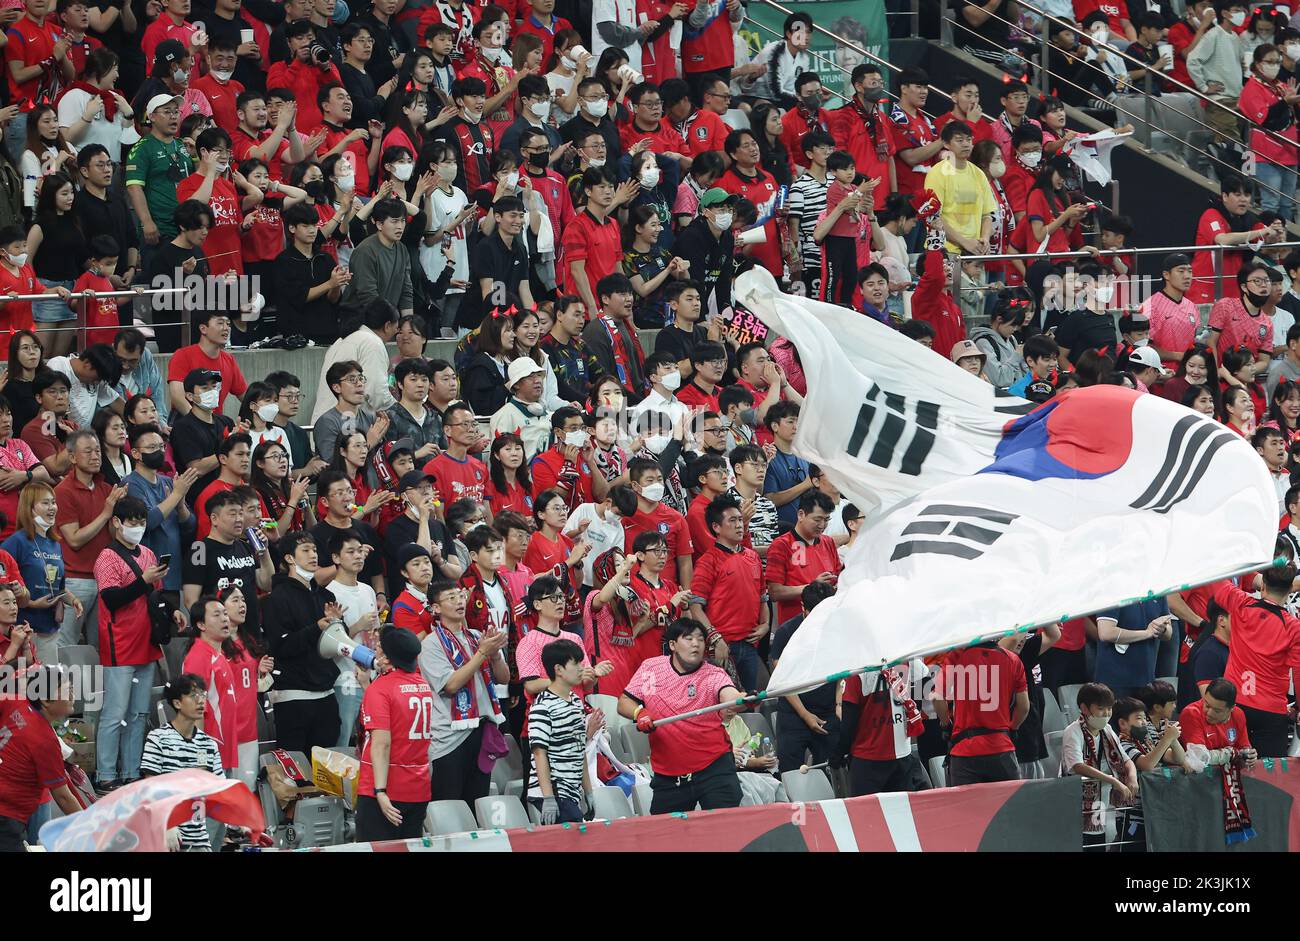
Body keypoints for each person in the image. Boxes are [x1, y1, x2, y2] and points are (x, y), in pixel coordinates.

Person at [619, 617, 743, 813]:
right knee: (666, 838)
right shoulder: (652, 670)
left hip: (714, 768)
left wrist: (743, 700)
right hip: (668, 774)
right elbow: (624, 702)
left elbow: (730, 696)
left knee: (724, 830)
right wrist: (639, 712)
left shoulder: (713, 674)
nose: (696, 644)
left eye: (701, 639)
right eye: (688, 638)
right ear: (672, 645)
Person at [419, 578, 511, 804]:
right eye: (451, 598)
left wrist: (495, 654)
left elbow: (504, 678)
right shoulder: (431, 644)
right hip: (449, 737)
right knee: (450, 805)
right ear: (436, 608)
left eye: (460, 596)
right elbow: (450, 686)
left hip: (480, 732)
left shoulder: (477, 636)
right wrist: (482, 654)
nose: (459, 601)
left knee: (478, 802)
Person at [1210, 545, 1300, 756]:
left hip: (1234, 703)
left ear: (1263, 585)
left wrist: (1248, 564)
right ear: (1290, 590)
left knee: (1229, 773)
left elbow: (1219, 577)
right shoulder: (1294, 627)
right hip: (1271, 710)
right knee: (1267, 780)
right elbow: (1298, 673)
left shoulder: (1240, 603)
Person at [263, 530, 344, 755]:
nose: (313, 555)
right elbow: (281, 647)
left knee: (328, 772)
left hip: (327, 694)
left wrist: (338, 625)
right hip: (293, 696)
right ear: (289, 558)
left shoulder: (325, 595)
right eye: (306, 550)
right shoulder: (277, 598)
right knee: (296, 772)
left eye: (315, 550)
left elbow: (337, 643)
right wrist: (316, 628)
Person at [355, 627, 435, 842]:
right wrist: (366, 684)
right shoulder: (422, 685)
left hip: (386, 791)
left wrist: (380, 791)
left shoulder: (381, 689)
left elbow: (382, 744)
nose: (375, 649)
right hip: (418, 790)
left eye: (380, 646)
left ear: (387, 658)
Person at [54, 429, 125, 651]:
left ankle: (97, 687)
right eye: (88, 451)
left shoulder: (106, 488)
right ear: (73, 457)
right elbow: (74, 539)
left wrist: (117, 520)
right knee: (66, 644)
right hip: (76, 580)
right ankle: (62, 687)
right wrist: (106, 513)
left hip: (104, 578)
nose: (95, 456)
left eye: (97, 451)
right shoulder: (63, 491)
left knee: (102, 645)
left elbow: (114, 538)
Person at [140, 674, 226, 850]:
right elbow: (150, 788)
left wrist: (242, 822)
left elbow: (221, 791)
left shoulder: (207, 744)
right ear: (177, 703)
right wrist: (168, 825)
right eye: (194, 696)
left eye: (203, 695)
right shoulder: (158, 738)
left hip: (199, 839)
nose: (201, 701)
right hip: (165, 837)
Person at [0, 666, 81, 852]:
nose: (72, 695)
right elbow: (63, 797)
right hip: (5, 817)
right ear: (46, 700)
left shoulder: (17, 702)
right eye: (67, 691)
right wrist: (91, 827)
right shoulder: (45, 741)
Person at [689, 496, 765, 692]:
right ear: (716, 527)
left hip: (749, 644)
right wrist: (715, 638)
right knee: (722, 706)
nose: (740, 525)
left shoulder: (753, 557)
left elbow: (763, 596)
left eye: (740, 519)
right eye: (733, 521)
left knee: (748, 703)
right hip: (721, 646)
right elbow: (695, 607)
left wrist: (765, 624)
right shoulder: (708, 561)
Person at [933, 634, 1029, 785]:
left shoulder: (957, 656)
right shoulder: (1012, 659)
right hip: (1001, 747)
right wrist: (1012, 729)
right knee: (1010, 807)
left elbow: (937, 697)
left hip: (965, 751)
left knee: (966, 808)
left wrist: (946, 724)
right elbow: (1024, 707)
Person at [769, 580, 838, 776]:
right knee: (791, 774)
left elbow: (845, 670)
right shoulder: (786, 633)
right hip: (794, 713)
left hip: (828, 712)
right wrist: (805, 715)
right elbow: (782, 680)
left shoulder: (839, 629)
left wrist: (839, 706)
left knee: (831, 771)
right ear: (803, 608)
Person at [1062, 682, 1138, 850]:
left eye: (1109, 709)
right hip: (1077, 801)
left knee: (1098, 844)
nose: (1107, 713)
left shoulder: (1108, 730)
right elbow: (1077, 766)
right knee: (1085, 845)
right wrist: (1113, 781)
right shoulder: (1072, 731)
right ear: (1084, 708)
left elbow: (1126, 760)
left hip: (1100, 802)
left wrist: (1132, 778)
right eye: (1101, 708)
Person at [324, 529, 381, 747]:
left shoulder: (367, 590)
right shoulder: (330, 592)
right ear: (336, 558)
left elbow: (373, 632)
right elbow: (328, 641)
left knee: (370, 739)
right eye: (351, 552)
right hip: (344, 677)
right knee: (344, 739)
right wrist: (358, 626)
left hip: (370, 675)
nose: (358, 556)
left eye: (360, 551)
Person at [312, 300, 403, 427]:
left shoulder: (342, 340)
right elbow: (377, 394)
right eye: (396, 328)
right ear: (387, 326)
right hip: (345, 425)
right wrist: (404, 413)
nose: (395, 333)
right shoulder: (372, 342)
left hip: (324, 421)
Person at [180, 594, 240, 776]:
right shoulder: (198, 657)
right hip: (209, 755)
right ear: (201, 625)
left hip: (223, 749)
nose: (224, 618)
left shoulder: (218, 654)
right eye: (216, 615)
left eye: (225, 613)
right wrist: (201, 761)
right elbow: (193, 712)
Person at [765, 490, 841, 626]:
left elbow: (838, 579)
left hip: (827, 622)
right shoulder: (781, 545)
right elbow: (774, 592)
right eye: (817, 519)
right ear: (801, 514)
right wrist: (812, 587)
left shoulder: (828, 542)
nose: (822, 525)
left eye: (826, 520)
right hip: (796, 625)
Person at [423, 400, 489, 507]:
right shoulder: (433, 469)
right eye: (465, 424)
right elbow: (438, 515)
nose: (471, 429)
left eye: (473, 424)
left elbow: (486, 508)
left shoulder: (480, 466)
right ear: (447, 430)